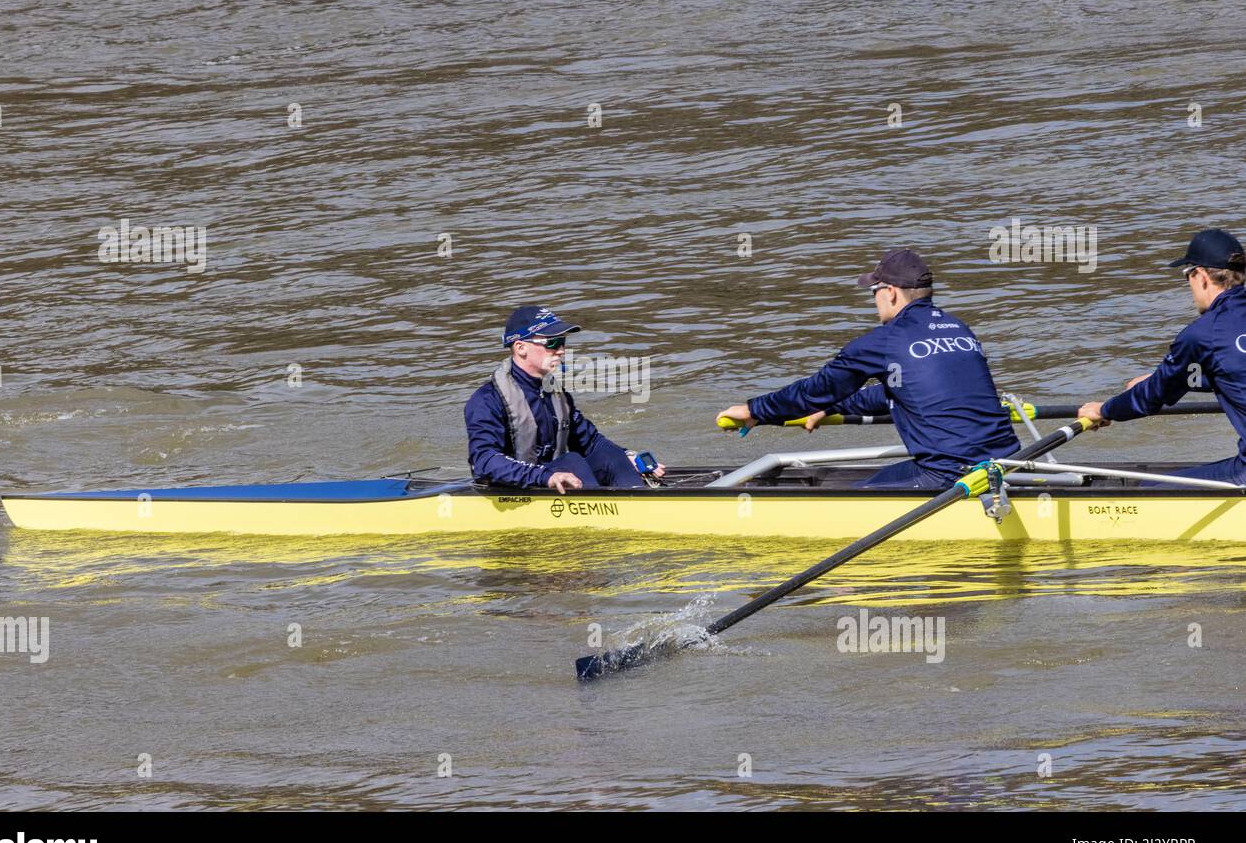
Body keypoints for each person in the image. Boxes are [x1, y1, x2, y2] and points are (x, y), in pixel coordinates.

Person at [717, 248, 1021, 488]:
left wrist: (754, 410)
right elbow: (900, 393)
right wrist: (832, 407)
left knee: (852, 498)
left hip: (952, 475)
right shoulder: (960, 329)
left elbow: (816, 390)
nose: (873, 300)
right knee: (877, 480)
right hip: (1012, 462)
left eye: (873, 291)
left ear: (890, 292)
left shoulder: (884, 341)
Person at [1077, 228, 1246, 484]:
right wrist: (1173, 379)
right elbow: (1235, 372)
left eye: (1186, 275)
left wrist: (1104, 410)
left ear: (1200, 275)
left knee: (1146, 488)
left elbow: (1151, 397)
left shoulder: (1202, 333)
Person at [464, 305, 664, 493]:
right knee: (572, 462)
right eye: (552, 343)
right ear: (520, 348)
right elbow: (484, 460)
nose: (561, 350)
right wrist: (545, 476)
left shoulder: (556, 393)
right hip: (515, 486)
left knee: (611, 456)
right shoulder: (486, 401)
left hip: (550, 476)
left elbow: (591, 442)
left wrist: (629, 456)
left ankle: (643, 499)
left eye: (562, 342)